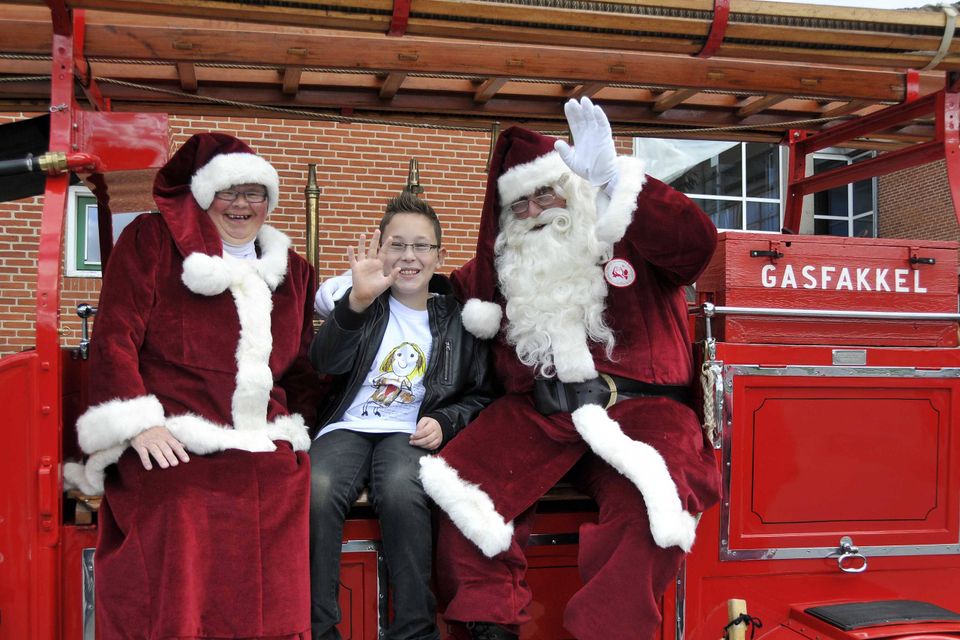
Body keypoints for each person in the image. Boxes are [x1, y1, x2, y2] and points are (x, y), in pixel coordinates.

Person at [416, 98, 722, 640]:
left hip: (644, 412)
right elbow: (423, 287)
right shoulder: (501, 267)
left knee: (649, 512)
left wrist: (618, 181)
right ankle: (490, 626)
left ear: (574, 188)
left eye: (545, 193)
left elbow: (696, 245)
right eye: (520, 205)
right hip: (538, 416)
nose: (535, 210)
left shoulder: (627, 230)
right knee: (460, 491)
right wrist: (360, 295)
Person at [63, 132, 319, 640]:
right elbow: (116, 334)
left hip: (260, 438)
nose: (242, 204)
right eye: (230, 192)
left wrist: (300, 431)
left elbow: (305, 371)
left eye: (255, 193)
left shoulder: (294, 272)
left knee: (283, 485)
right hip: (172, 428)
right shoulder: (152, 242)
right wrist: (137, 424)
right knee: (182, 498)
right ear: (204, 195)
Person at [308, 192, 495, 640]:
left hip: (408, 431)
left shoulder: (458, 318)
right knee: (316, 486)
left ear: (439, 255)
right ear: (380, 250)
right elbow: (325, 363)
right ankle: (317, 629)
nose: (408, 256)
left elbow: (483, 394)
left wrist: (447, 421)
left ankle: (414, 630)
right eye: (396, 244)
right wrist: (354, 304)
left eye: (421, 246)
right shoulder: (365, 300)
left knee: (400, 488)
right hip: (347, 425)